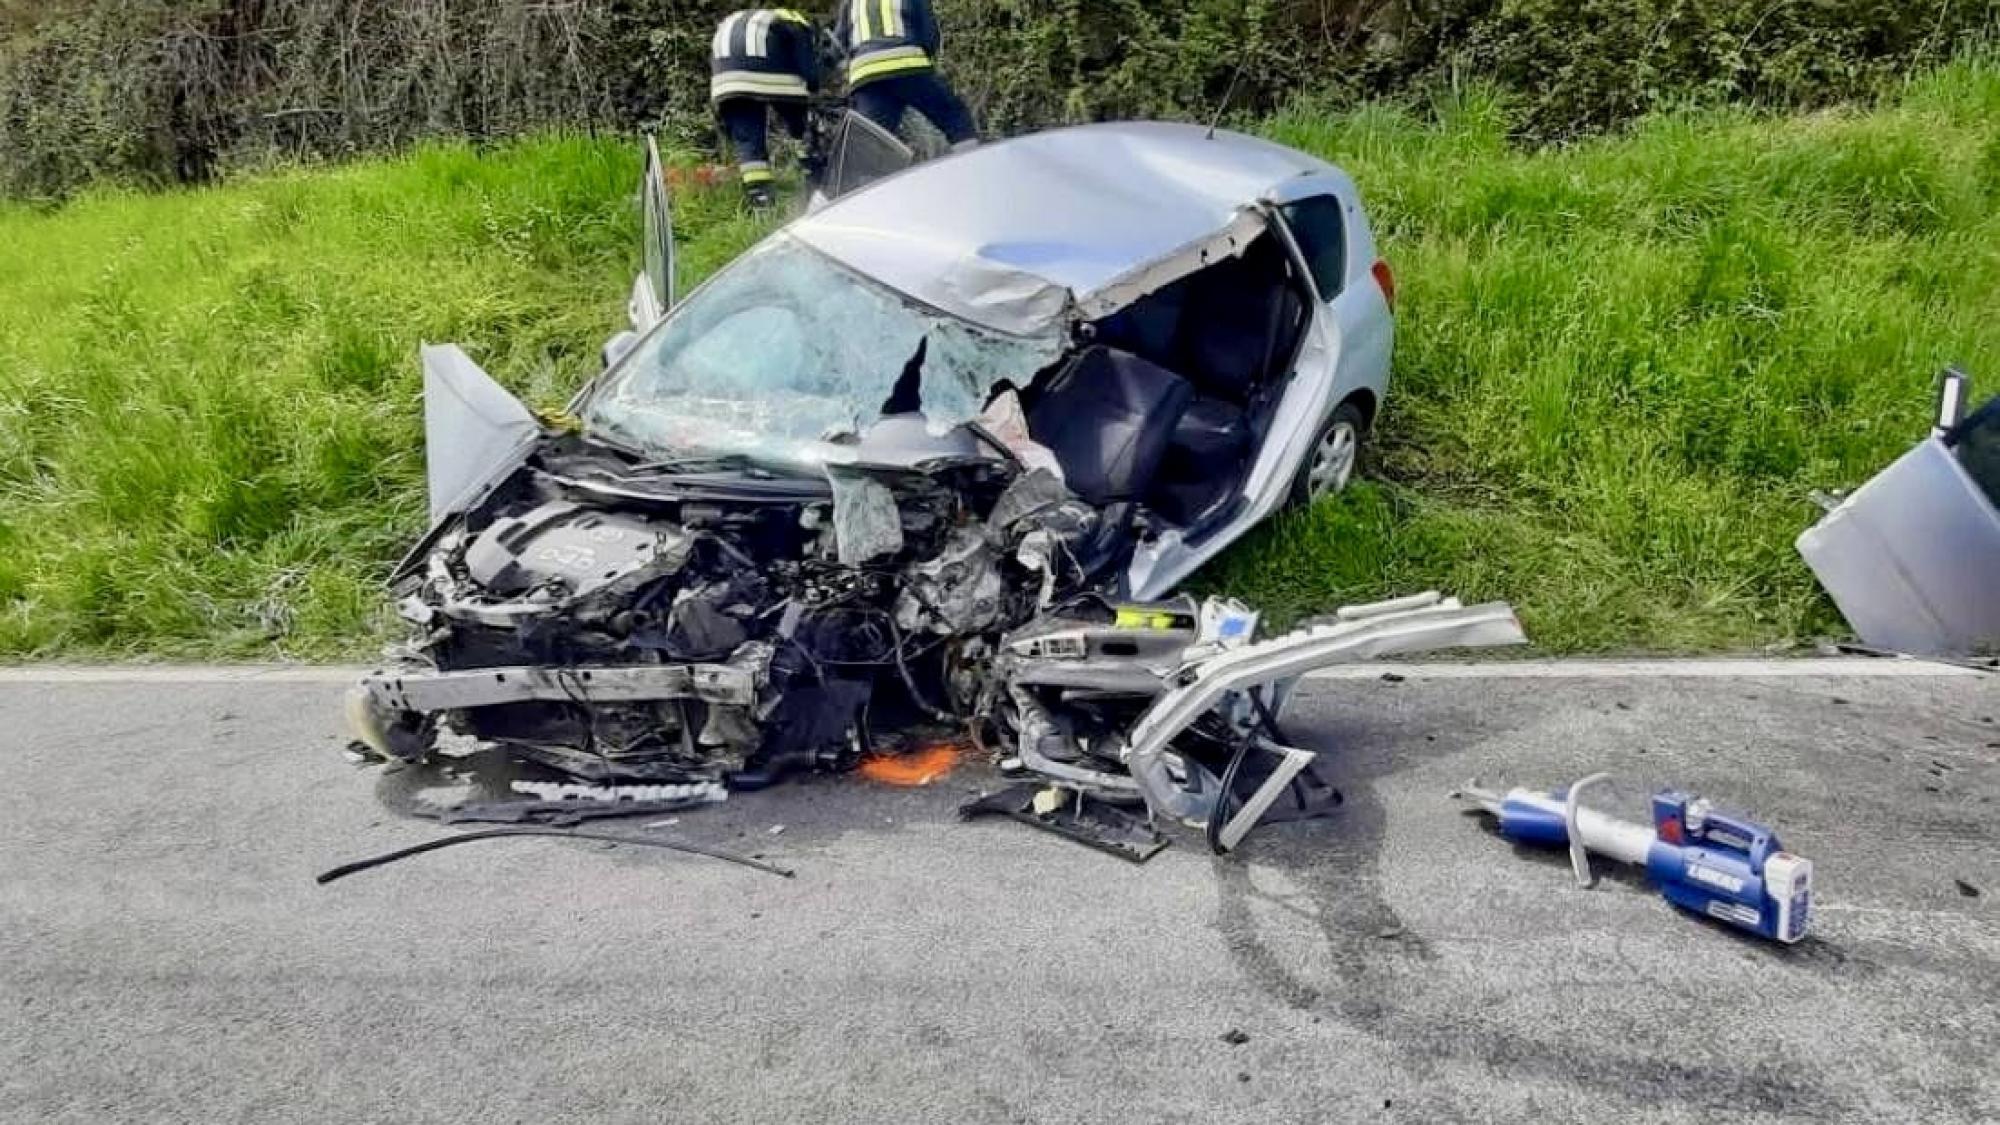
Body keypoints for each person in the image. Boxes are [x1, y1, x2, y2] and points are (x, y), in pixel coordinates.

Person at [710, 8, 822, 207]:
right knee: (800, 127)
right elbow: (809, 72)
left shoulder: (737, 18)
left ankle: (760, 199)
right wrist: (815, 85)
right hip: (766, 71)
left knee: (748, 141)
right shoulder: (796, 21)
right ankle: (814, 176)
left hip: (725, 81)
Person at [831, 0, 977, 150]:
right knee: (954, 116)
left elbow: (837, 46)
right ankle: (971, 162)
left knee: (872, 143)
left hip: (866, 77)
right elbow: (929, 35)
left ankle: (867, 174)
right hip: (909, 67)